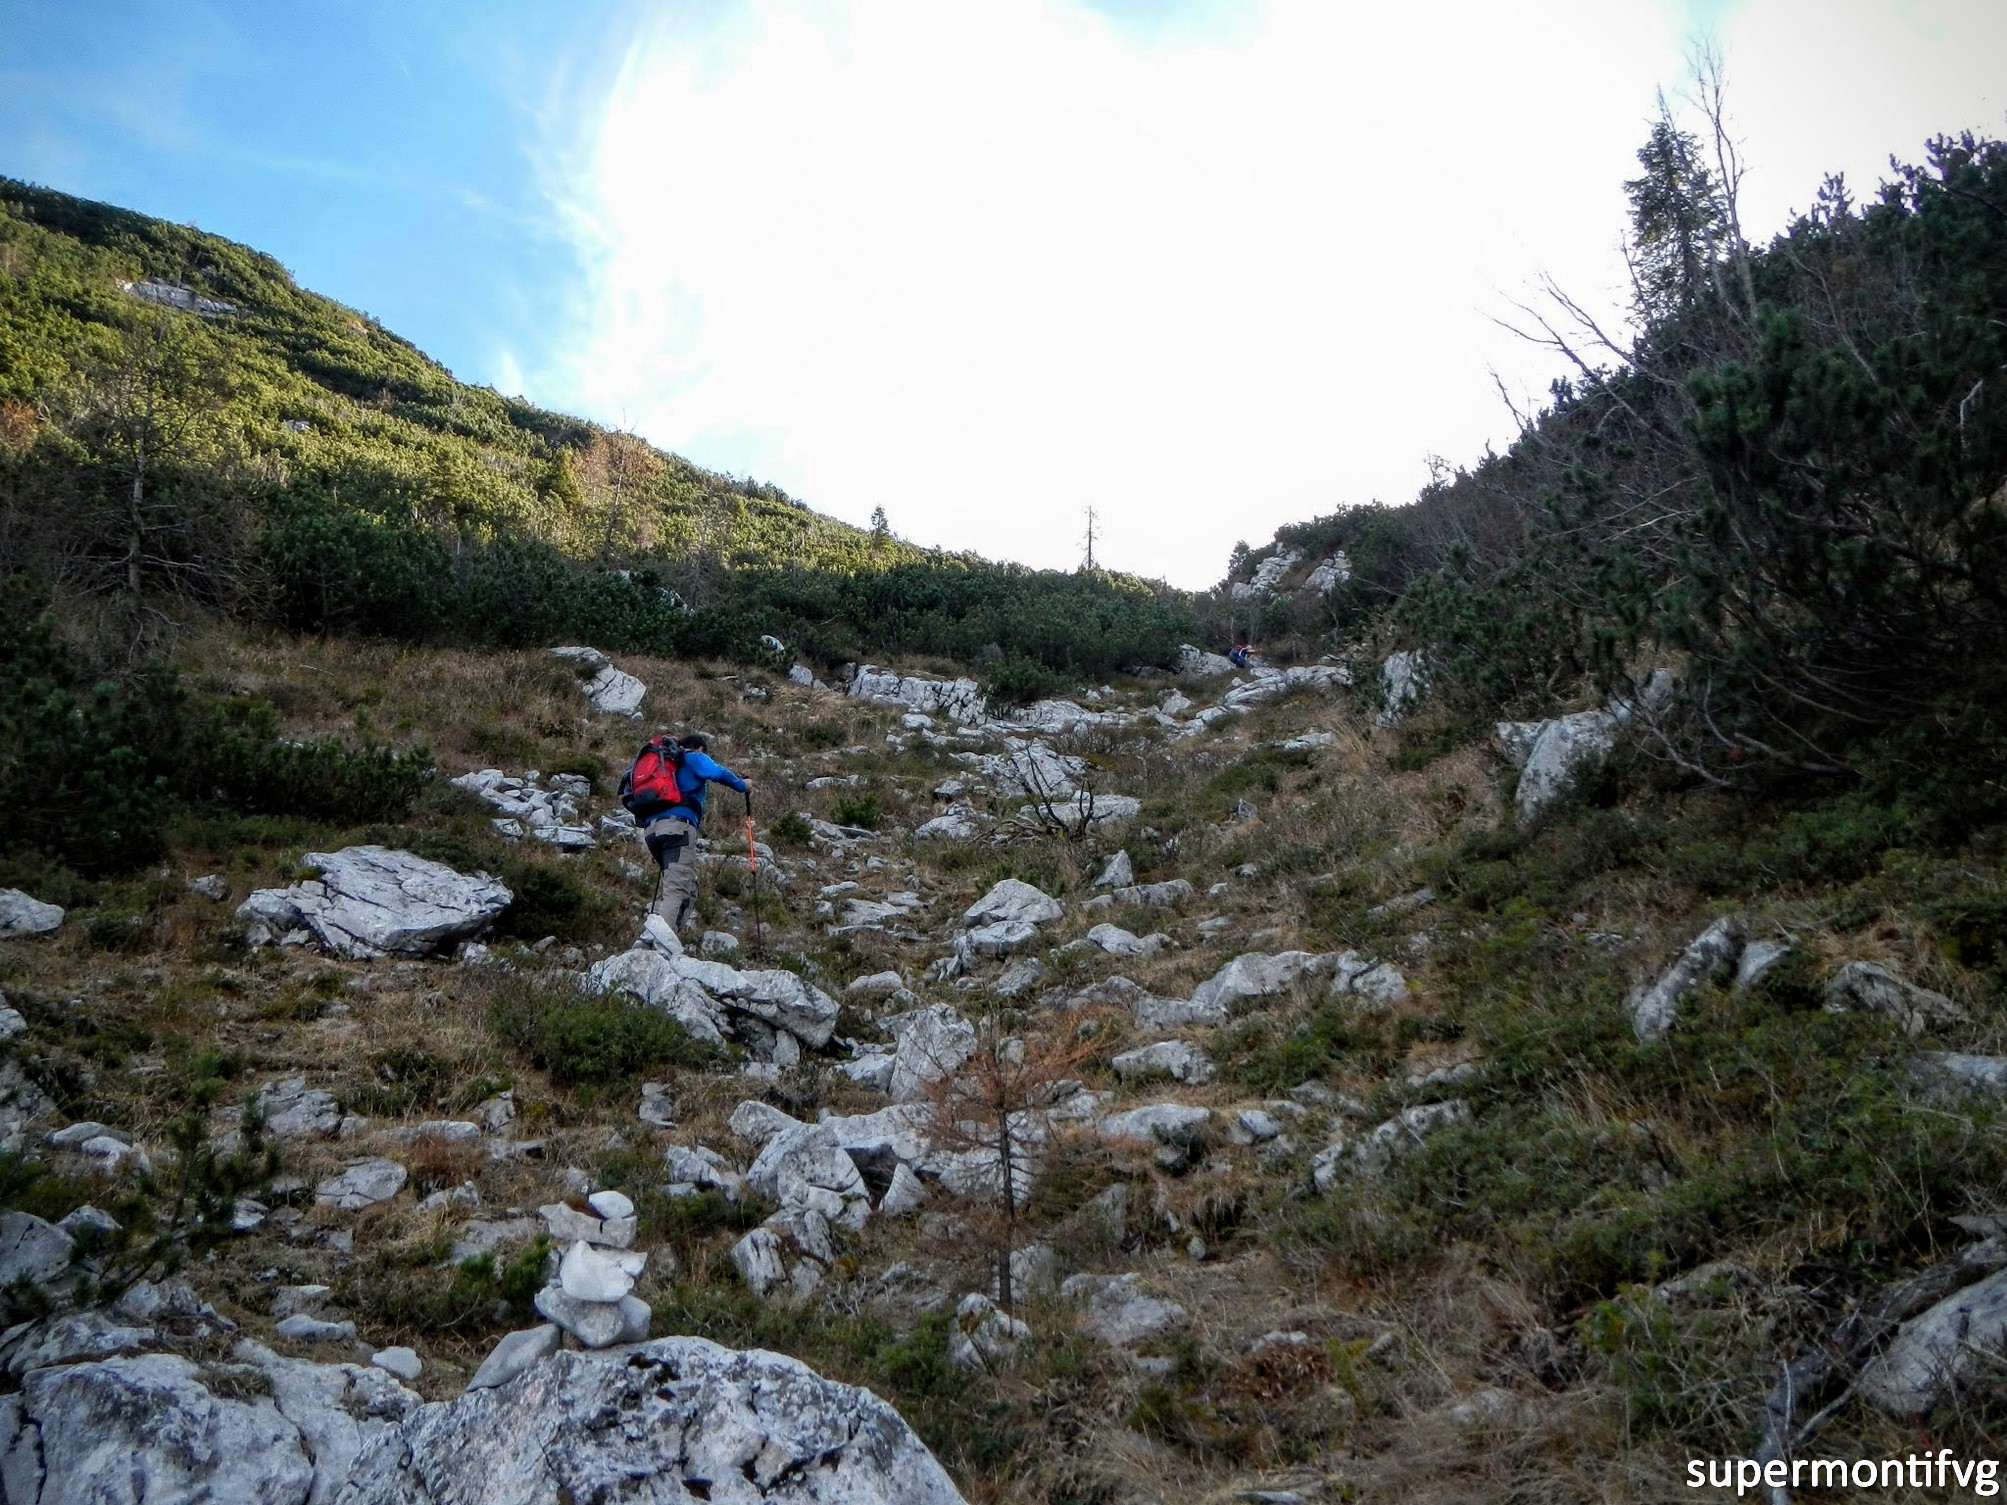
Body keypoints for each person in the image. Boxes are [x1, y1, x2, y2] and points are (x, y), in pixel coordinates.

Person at [641, 731, 749, 935]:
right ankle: (659, 942)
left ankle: (671, 935)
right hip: (678, 828)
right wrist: (743, 785)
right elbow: (718, 773)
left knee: (688, 887)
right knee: (677, 890)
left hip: (652, 830)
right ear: (700, 748)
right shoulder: (694, 757)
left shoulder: (664, 763)